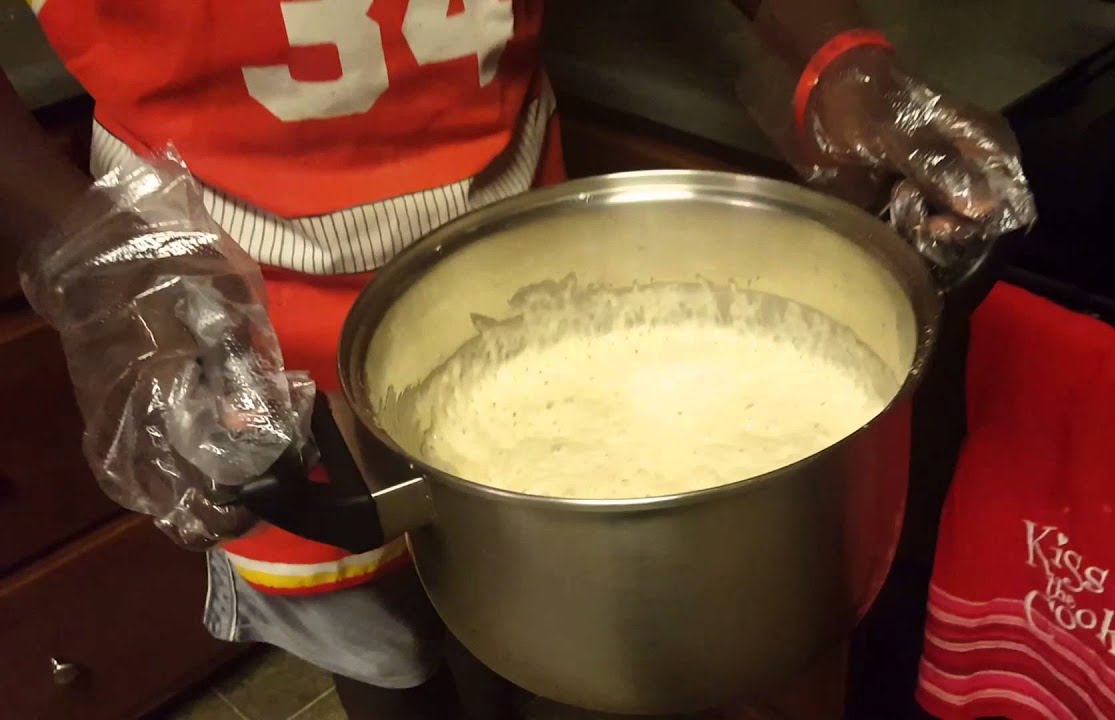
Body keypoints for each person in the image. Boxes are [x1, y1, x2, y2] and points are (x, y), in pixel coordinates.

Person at [0, 0, 1034, 718]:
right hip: (225, 307)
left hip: (519, 241)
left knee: (579, 642)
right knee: (384, 656)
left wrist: (836, 56)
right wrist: (92, 256)